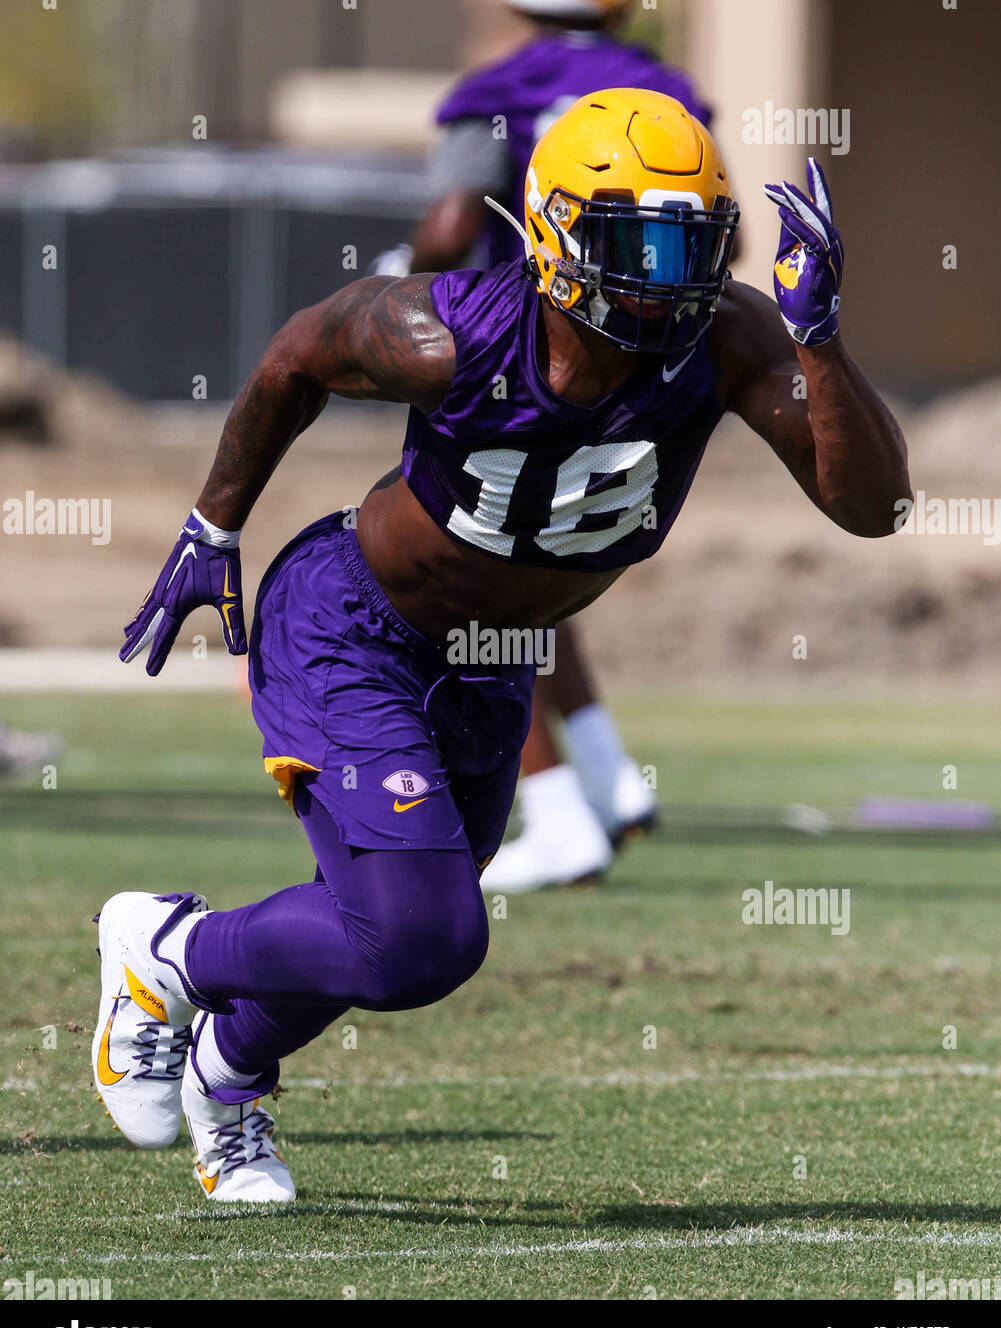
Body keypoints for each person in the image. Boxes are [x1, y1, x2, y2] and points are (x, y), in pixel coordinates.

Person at [96, 89, 909, 1202]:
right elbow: (295, 357)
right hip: (355, 627)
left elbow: (871, 508)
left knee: (382, 918)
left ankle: (227, 1072)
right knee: (420, 933)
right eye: (640, 242)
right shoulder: (451, 332)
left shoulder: (721, 343)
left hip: (491, 660)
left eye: (693, 242)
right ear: (559, 234)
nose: (670, 275)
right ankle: (163, 947)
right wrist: (212, 524)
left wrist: (818, 341)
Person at [380, 0, 719, 890]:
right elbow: (724, 236)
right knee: (542, 572)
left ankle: (555, 804)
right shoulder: (668, 89)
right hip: (654, 365)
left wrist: (403, 285)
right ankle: (606, 780)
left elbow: (454, 228)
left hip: (528, 358)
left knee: (473, 575)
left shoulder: (502, 89)